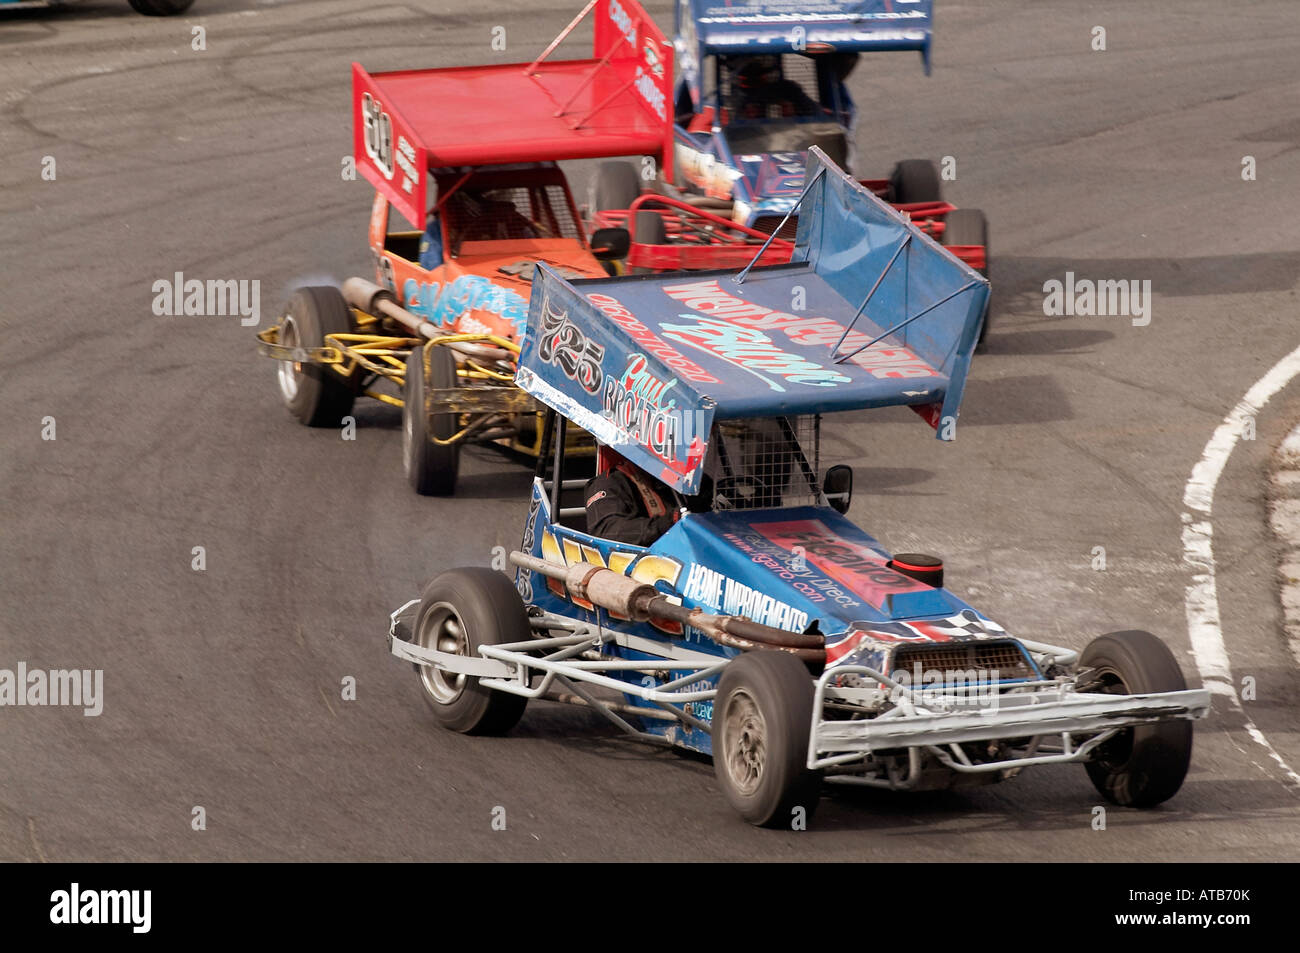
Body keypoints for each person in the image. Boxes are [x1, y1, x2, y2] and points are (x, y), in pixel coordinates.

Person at [584, 446, 679, 547]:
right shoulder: (609, 483)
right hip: (647, 557)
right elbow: (607, 533)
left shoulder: (681, 481)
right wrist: (670, 521)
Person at [732, 55, 822, 120]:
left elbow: (816, 114)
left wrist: (793, 112)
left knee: (815, 147)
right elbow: (735, 127)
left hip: (796, 136)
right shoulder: (744, 99)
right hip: (758, 140)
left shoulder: (790, 90)